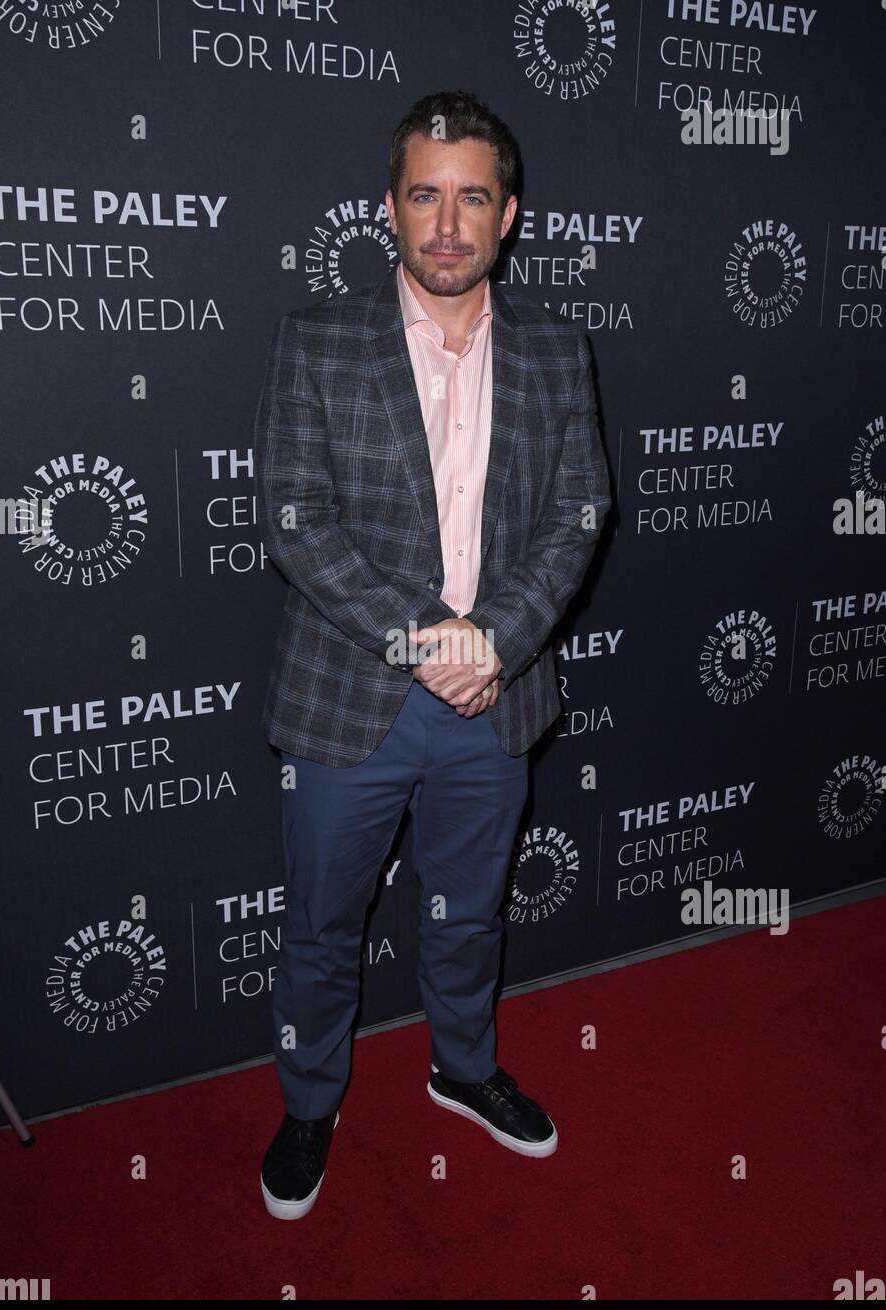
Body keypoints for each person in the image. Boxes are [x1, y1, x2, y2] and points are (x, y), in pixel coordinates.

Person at [252, 90, 612, 1220]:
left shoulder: (557, 348)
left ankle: (460, 1066)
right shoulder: (317, 338)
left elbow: (578, 512)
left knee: (470, 908)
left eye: (471, 197)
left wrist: (492, 639)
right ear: (390, 210)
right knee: (321, 929)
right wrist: (424, 641)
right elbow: (295, 516)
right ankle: (309, 1100)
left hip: (492, 699)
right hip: (353, 694)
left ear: (508, 214)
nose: (446, 222)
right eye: (424, 195)